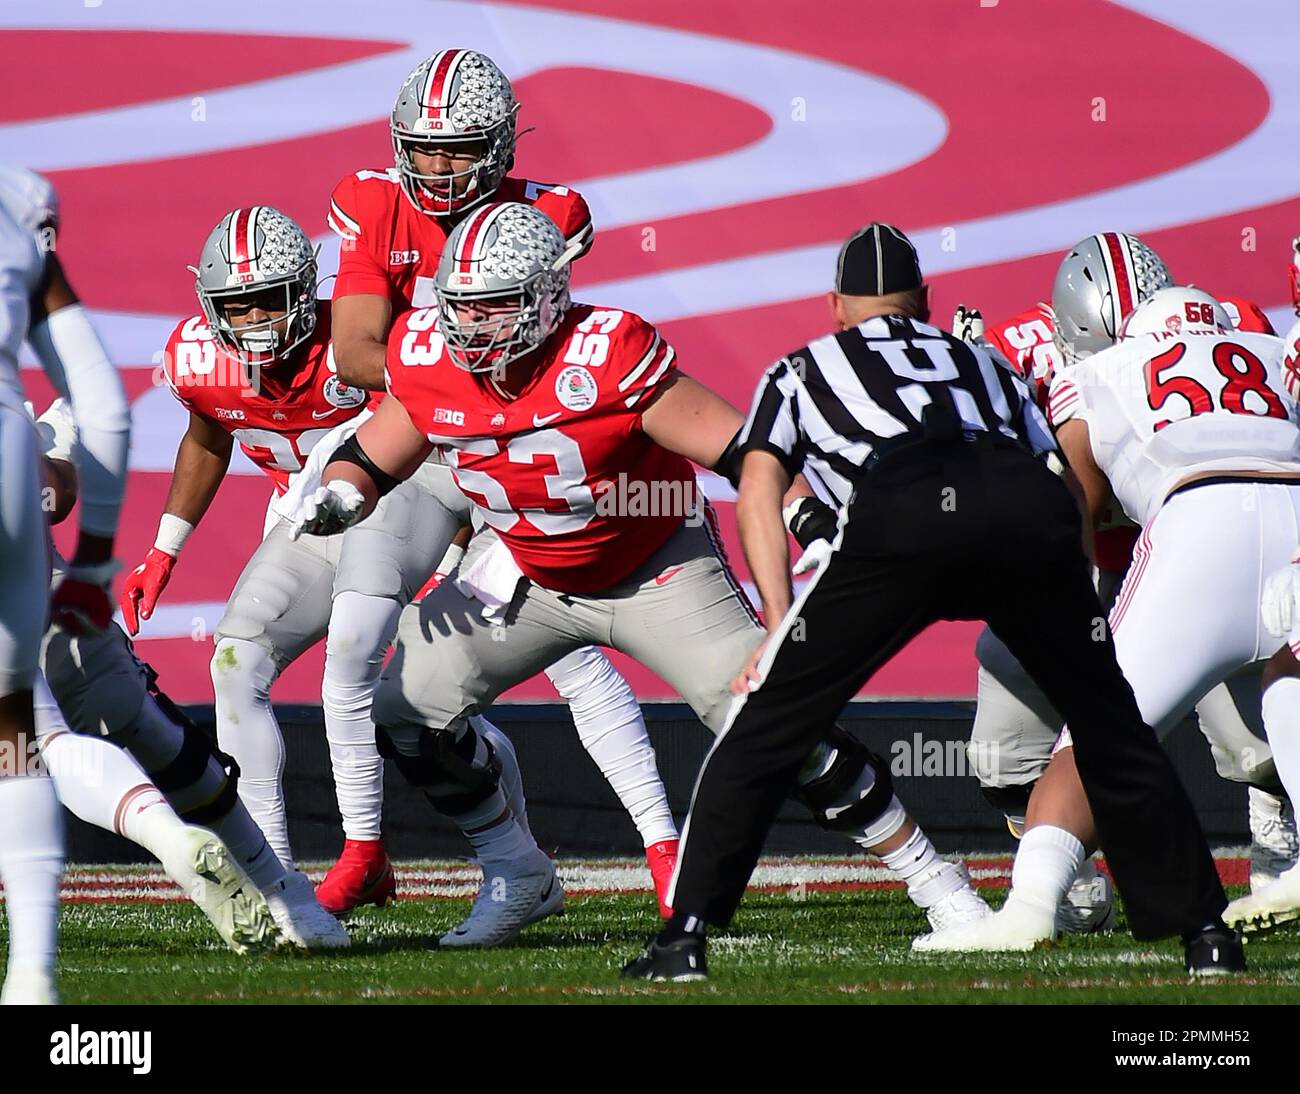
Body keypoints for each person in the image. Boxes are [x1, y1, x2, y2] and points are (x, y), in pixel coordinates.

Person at [291, 202, 990, 948]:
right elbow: (376, 450)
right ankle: (517, 869)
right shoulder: (431, 357)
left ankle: (938, 885)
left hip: (653, 567)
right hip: (527, 572)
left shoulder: (607, 351)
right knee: (405, 711)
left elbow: (741, 448)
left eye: (494, 305)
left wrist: (807, 517)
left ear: (546, 297)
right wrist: (342, 491)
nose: (471, 326)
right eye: (460, 306)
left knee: (773, 719)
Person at [623, 225, 1237, 982]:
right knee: (1111, 729)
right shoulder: (983, 362)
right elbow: (1063, 482)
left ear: (836, 307)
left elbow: (759, 489)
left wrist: (778, 620)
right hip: (1021, 512)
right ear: (926, 301)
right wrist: (1074, 607)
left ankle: (683, 936)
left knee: (767, 723)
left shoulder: (804, 365)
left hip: (903, 509)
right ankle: (1206, 933)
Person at [326, 48, 679, 909]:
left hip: (510, 445)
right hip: (413, 441)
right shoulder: (375, 203)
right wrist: (450, 391)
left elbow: (532, 344)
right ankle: (371, 850)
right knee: (353, 652)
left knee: (572, 657)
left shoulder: (547, 215)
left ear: (502, 146)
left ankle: (663, 844)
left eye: (459, 148)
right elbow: (355, 351)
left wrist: (456, 387)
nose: (439, 165)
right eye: (425, 146)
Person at [966, 236, 1294, 902]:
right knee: (1000, 758)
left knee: (1251, 750)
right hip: (1092, 566)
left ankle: (1271, 820)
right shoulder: (1015, 355)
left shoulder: (1224, 324)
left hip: (1182, 562)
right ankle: (1072, 874)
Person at [0, 165, 131, 1004]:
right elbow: (105, 403)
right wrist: (91, 561)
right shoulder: (16, 200)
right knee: (12, 729)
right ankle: (33, 978)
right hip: (7, 458)